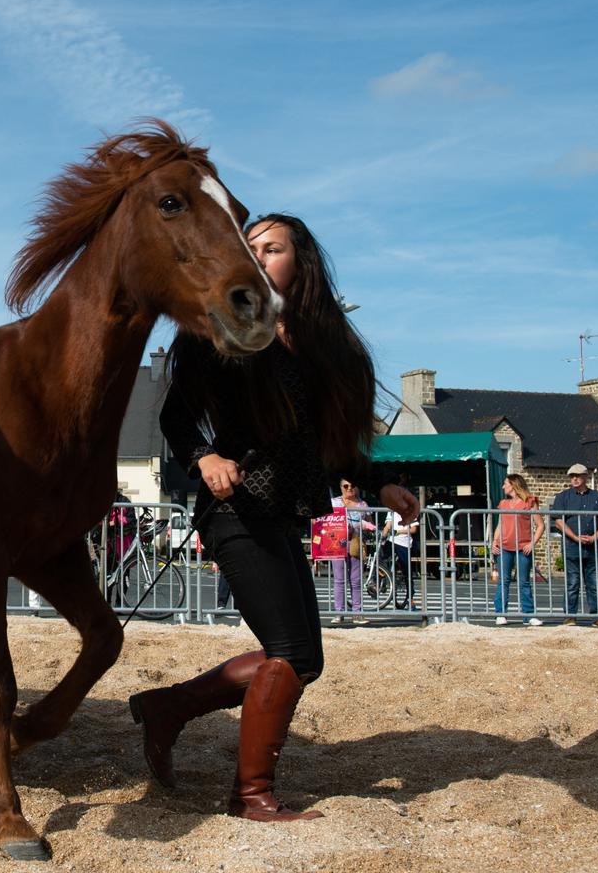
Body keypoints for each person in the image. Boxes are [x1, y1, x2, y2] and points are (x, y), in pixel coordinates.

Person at [128, 213, 419, 822]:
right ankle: (250, 794)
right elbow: (177, 418)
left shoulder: (327, 346)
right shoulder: (225, 328)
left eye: (271, 248)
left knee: (301, 660)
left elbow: (332, 443)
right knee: (289, 650)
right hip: (235, 507)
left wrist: (383, 483)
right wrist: (204, 457)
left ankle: (169, 708)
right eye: (250, 248)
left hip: (285, 513)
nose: (257, 257)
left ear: (301, 260)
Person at [550, 463, 598, 627]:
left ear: (586, 477)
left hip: (594, 548)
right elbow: (558, 522)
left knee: (593, 584)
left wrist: (595, 537)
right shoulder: (562, 497)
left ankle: (597, 616)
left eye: (578, 475)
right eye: (572, 476)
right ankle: (570, 616)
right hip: (572, 548)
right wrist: (575, 537)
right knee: (572, 583)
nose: (575, 479)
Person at [491, 474, 543, 626]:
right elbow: (500, 525)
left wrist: (532, 543)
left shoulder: (529, 502)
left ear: (513, 485)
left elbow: (540, 525)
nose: (503, 486)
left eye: (505, 483)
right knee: (503, 581)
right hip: (505, 546)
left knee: (524, 581)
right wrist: (494, 541)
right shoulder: (503, 504)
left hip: (522, 547)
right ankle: (500, 613)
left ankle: (528, 614)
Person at [333, 480, 375, 624]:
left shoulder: (363, 505)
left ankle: (357, 613)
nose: (349, 488)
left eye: (352, 485)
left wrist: (366, 526)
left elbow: (369, 521)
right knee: (339, 579)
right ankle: (339, 612)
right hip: (337, 543)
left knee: (355, 580)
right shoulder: (334, 502)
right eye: (346, 486)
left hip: (355, 542)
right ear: (341, 488)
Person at [380, 500, 418, 610]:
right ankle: (380, 581)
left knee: (407, 570)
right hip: (391, 540)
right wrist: (383, 535)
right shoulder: (391, 509)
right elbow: (388, 525)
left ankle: (410, 597)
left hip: (403, 542)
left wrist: (399, 532)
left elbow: (413, 529)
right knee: (380, 557)